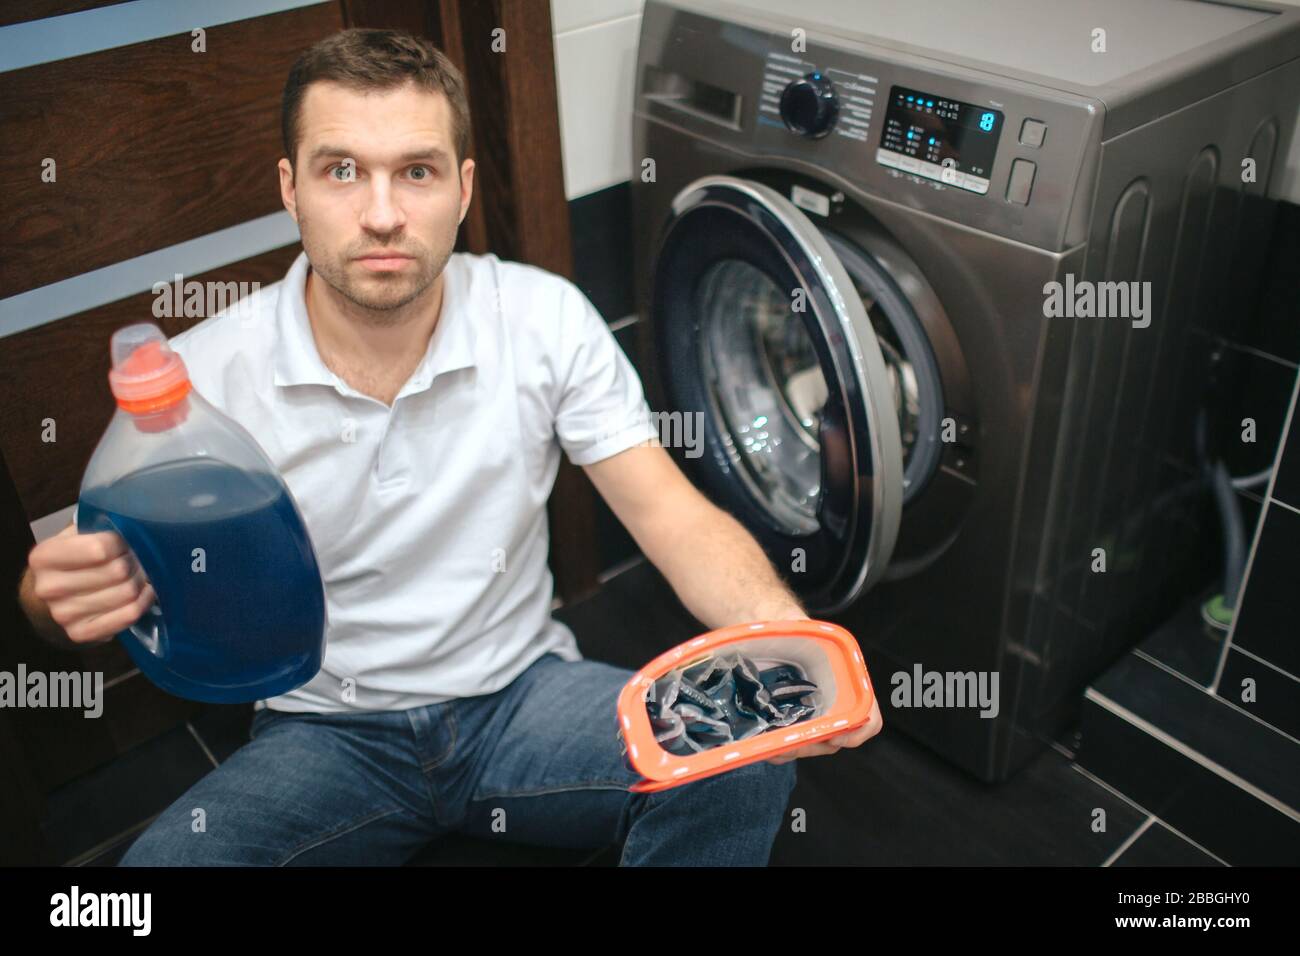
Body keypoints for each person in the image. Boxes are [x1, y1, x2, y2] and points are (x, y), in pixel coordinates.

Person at [17, 28, 882, 866]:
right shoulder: (202, 378)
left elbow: (673, 518)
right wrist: (50, 601)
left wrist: (796, 645)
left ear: (464, 189)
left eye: (418, 172)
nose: (383, 214)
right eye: (343, 171)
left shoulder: (543, 318)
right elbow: (79, 594)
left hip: (522, 701)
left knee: (747, 755)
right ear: (290, 188)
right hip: (325, 732)